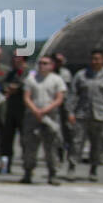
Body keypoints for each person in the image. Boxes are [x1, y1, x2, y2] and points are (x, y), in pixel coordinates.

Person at [67, 49, 103, 182]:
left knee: (98, 145)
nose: (94, 61)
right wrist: (70, 112)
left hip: (100, 116)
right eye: (92, 59)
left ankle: (93, 169)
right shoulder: (81, 75)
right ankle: (72, 168)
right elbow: (73, 95)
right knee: (77, 143)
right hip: (82, 115)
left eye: (97, 59)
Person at [21, 55, 65, 186]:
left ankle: (52, 174)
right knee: (30, 147)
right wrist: (36, 110)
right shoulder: (31, 79)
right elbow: (27, 97)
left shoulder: (57, 80)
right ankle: (28, 173)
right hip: (32, 117)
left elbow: (59, 98)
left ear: (52, 66)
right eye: (40, 63)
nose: (42, 66)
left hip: (49, 117)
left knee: (51, 147)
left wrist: (45, 110)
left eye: (45, 63)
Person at [0, 53, 28, 173]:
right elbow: (2, 84)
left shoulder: (29, 72)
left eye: (17, 56)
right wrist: (10, 88)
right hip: (10, 111)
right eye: (13, 56)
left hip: (24, 111)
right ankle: (5, 166)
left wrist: (16, 88)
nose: (14, 59)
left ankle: (28, 167)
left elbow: (25, 85)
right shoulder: (10, 73)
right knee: (6, 140)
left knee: (26, 140)